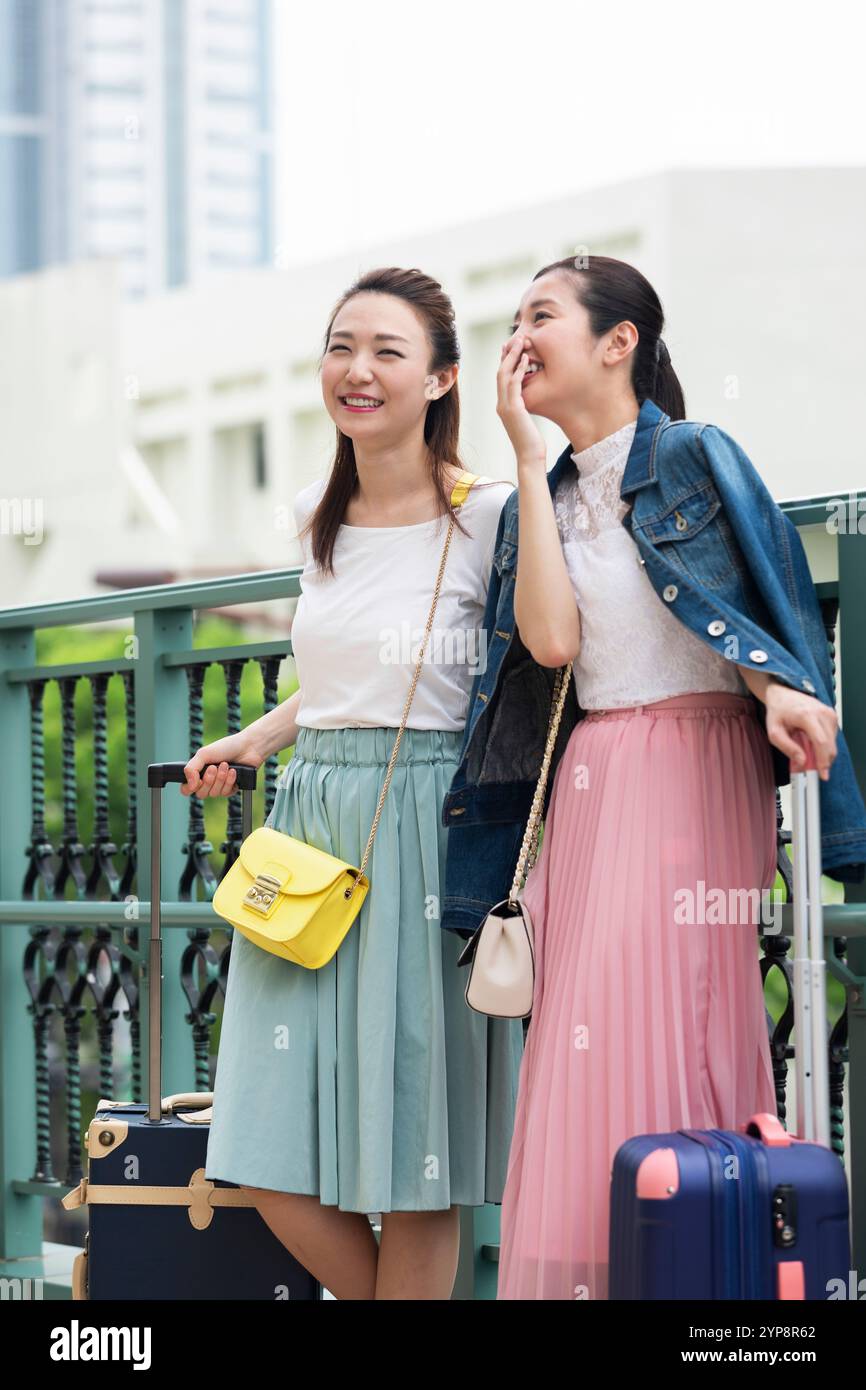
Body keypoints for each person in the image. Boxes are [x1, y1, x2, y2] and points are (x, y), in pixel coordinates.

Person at [437, 253, 866, 1299]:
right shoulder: (543, 492)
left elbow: (763, 611)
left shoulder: (689, 455)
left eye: (542, 315)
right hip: (593, 777)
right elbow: (547, 643)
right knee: (578, 1044)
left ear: (617, 341)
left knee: (672, 1020)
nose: (520, 338)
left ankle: (691, 1273)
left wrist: (777, 693)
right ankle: (597, 1271)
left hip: (692, 763)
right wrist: (524, 453)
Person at [180, 266, 524, 1300]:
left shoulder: (488, 514)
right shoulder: (311, 516)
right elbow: (341, 683)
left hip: (429, 824)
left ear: (439, 379)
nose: (357, 370)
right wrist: (254, 737)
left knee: (421, 1158)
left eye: (386, 351)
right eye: (341, 346)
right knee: (260, 1139)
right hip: (310, 826)